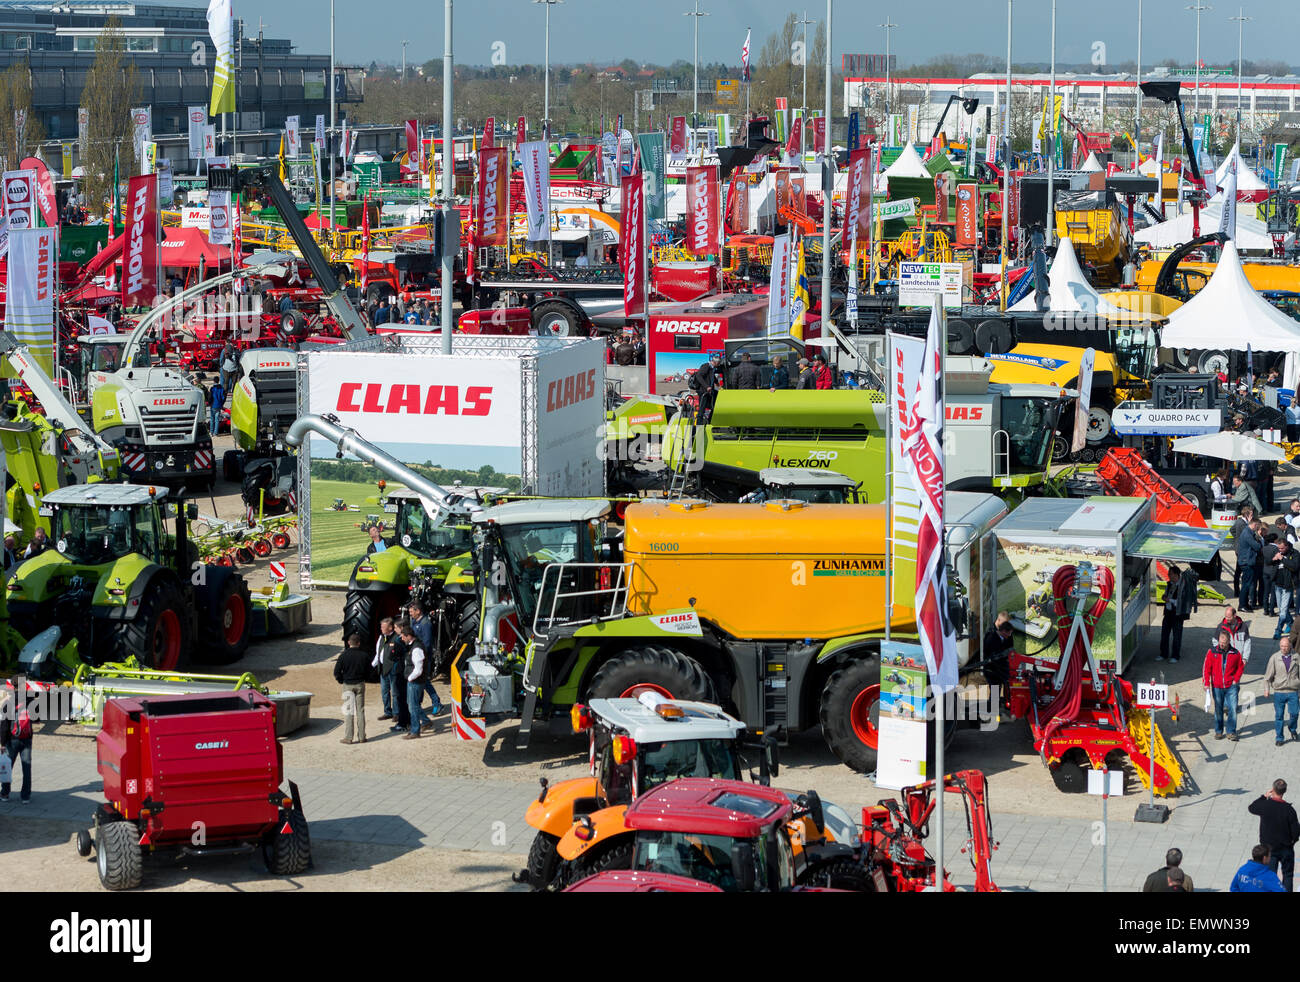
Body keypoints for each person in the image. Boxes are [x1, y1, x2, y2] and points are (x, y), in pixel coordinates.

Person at [1248, 781, 1300, 891]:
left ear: (1273, 789)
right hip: (1285, 848)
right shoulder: (1289, 810)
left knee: (1269, 876)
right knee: (1288, 875)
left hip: (1268, 850)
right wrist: (1292, 842)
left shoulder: (1265, 805)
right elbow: (1296, 832)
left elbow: (1252, 807)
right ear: (1284, 791)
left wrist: (1264, 796)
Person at [1203, 628, 1245, 741]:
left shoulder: (1235, 653)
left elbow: (1240, 667)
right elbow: (1206, 668)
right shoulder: (1212, 652)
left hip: (1231, 686)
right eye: (1220, 642)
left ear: (1228, 642)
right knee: (1218, 709)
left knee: (1232, 709)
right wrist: (1206, 683)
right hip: (1217, 686)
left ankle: (1231, 732)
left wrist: (1236, 679)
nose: (1222, 644)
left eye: (1224, 642)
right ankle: (1218, 731)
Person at [333, 632, 370, 745]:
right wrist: (364, 678)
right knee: (360, 710)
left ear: (349, 643)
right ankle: (362, 736)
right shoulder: (364, 655)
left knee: (349, 712)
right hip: (360, 684)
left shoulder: (343, 655)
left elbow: (336, 672)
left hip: (348, 685)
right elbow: (370, 671)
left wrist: (341, 680)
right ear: (359, 643)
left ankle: (348, 737)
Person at [407, 600, 443, 712]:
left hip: (423, 658)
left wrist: (422, 658)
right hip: (415, 656)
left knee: (424, 681)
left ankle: (436, 702)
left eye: (412, 611)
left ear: (418, 611)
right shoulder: (414, 622)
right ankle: (418, 704)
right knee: (421, 681)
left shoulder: (425, 624)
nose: (410, 613)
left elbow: (427, 643)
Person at [1264, 637, 1300, 746]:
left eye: (1285, 646)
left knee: (1294, 713)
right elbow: (1267, 676)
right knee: (1279, 716)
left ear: (1290, 646)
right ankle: (1279, 738)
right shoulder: (1274, 658)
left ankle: (1292, 728)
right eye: (1281, 646)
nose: (1283, 648)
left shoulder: (1296, 657)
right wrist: (1267, 689)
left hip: (1293, 691)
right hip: (1279, 692)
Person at [0, 687, 33, 803]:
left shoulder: (9, 703)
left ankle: (5, 794)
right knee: (27, 768)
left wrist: (2, 743)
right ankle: (25, 796)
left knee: (8, 768)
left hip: (12, 740)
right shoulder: (30, 701)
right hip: (26, 740)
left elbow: (4, 726)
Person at [401, 621, 433, 739]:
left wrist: (409, 678)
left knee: (413, 706)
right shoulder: (414, 646)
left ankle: (415, 730)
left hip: (415, 682)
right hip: (415, 681)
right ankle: (425, 721)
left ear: (409, 636)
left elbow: (418, 669)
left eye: (403, 636)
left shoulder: (416, 649)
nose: (402, 639)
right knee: (412, 704)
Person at [1158, 565, 1195, 663]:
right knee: (1164, 634)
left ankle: (1175, 656)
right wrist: (1164, 597)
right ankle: (1163, 654)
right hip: (1168, 612)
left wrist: (1169, 600)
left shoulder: (1183, 585)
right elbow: (1167, 594)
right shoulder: (1170, 584)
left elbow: (1181, 602)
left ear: (1175, 574)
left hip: (1177, 614)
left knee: (1177, 635)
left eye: (1170, 574)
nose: (1169, 576)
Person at [372, 617, 401, 723]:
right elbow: (378, 653)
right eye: (381, 626)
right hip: (383, 669)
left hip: (393, 669)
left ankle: (396, 713)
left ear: (390, 627)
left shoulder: (397, 638)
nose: (381, 628)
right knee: (384, 692)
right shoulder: (381, 638)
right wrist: (372, 665)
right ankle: (388, 711)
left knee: (395, 693)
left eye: (383, 627)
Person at [1274, 538, 1300, 638]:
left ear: (1287, 546)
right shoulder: (1277, 551)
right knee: (1281, 609)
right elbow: (1268, 562)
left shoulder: (1294, 553)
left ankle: (1278, 630)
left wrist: (1282, 559)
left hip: (1288, 585)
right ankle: (1291, 623)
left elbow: (1294, 567)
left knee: (1283, 610)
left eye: (1282, 548)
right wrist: (1273, 560)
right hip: (1277, 584)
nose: (1280, 550)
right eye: (1279, 548)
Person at [1236, 517, 1263, 613]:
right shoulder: (1248, 534)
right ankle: (1242, 605)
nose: (1257, 529)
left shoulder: (1247, 532)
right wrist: (1259, 540)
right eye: (1258, 527)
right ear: (1255, 525)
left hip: (1246, 560)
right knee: (1246, 584)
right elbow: (1257, 546)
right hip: (1247, 562)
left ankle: (1245, 604)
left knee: (1246, 584)